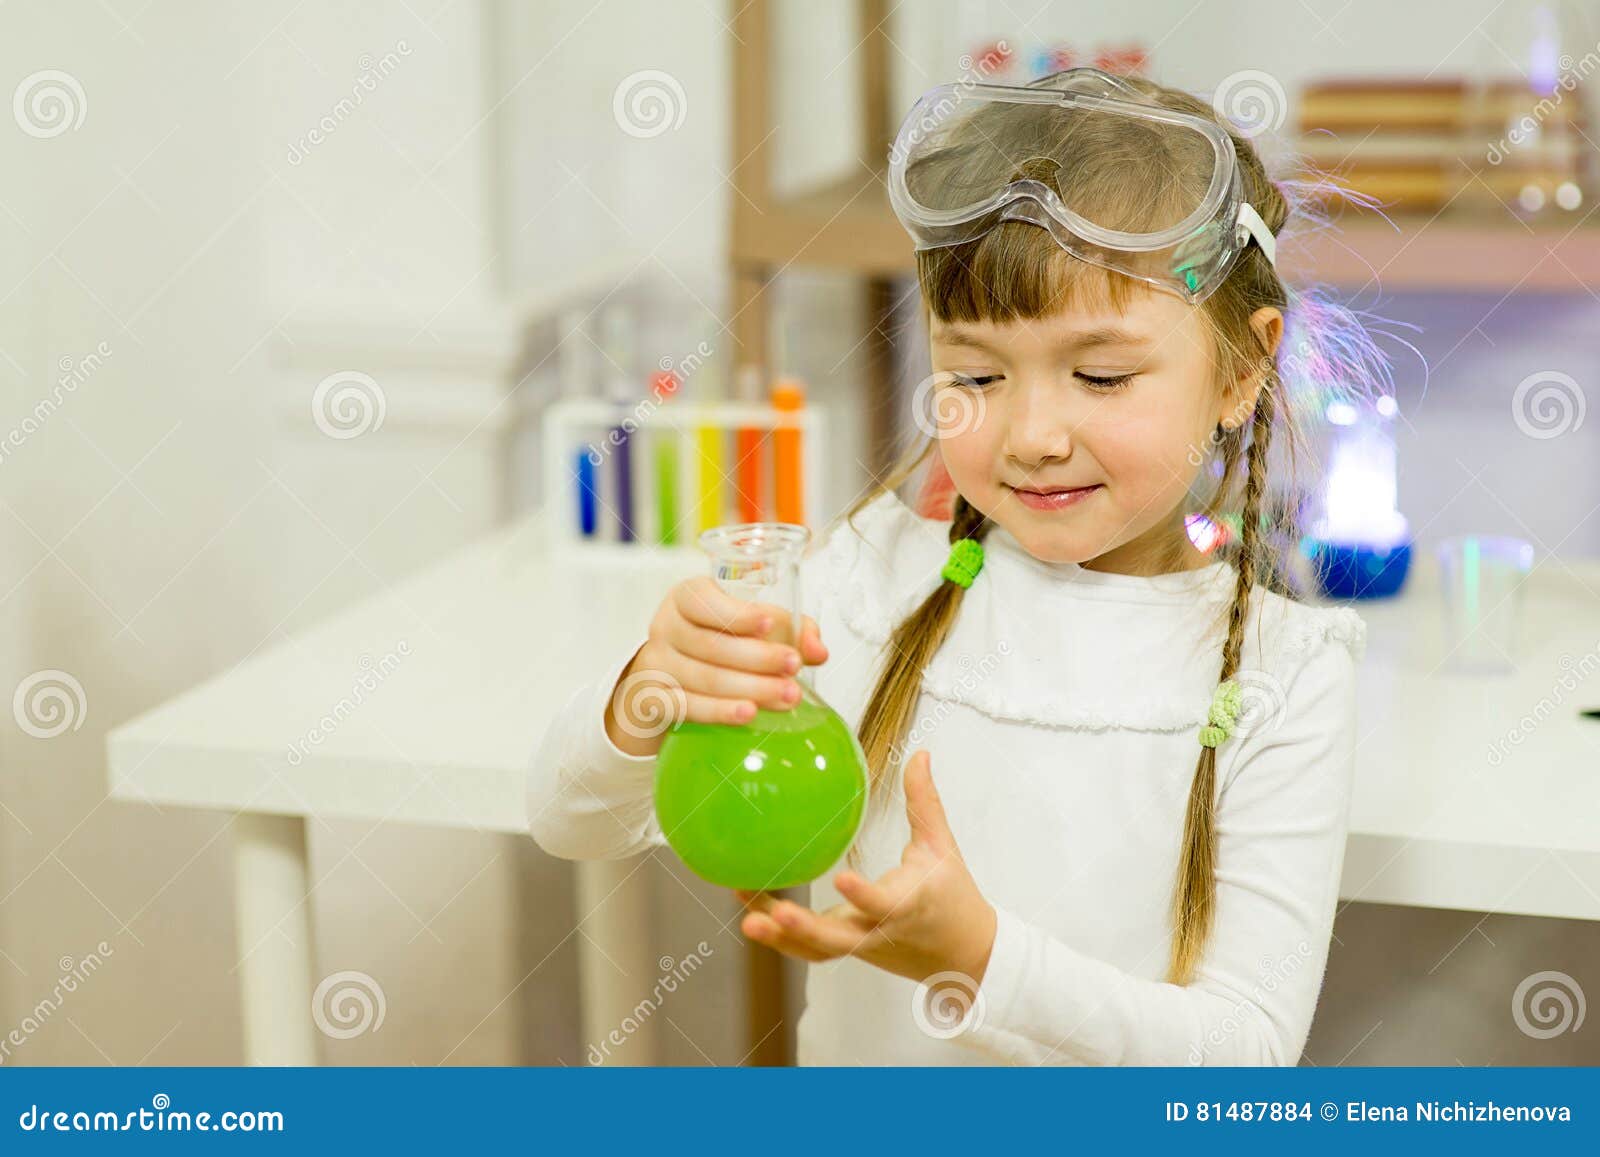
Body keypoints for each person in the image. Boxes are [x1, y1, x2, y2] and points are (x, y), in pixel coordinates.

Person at [529, 67, 1391, 1065]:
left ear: (1241, 369)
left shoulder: (1286, 674)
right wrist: (650, 691)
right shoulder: (866, 582)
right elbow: (569, 817)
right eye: (976, 373)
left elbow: (1244, 1054)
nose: (1032, 435)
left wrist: (982, 958)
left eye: (1100, 375)